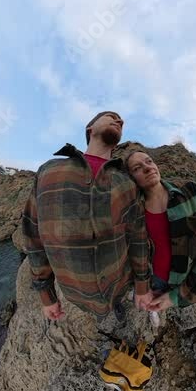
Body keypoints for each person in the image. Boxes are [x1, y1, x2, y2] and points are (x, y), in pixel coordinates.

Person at [22, 112, 154, 322]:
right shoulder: (49, 171)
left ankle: (116, 304)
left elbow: (138, 238)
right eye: (111, 117)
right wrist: (46, 296)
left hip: (118, 283)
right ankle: (97, 311)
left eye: (121, 121)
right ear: (90, 129)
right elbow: (33, 236)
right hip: (77, 293)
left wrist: (142, 285)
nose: (119, 121)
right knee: (90, 311)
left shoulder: (126, 183)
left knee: (116, 299)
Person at [125, 150, 196, 311]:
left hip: (185, 281)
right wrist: (142, 287)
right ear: (131, 178)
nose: (147, 168)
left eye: (149, 161)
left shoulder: (192, 192)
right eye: (137, 168)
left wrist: (177, 296)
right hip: (152, 282)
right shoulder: (134, 211)